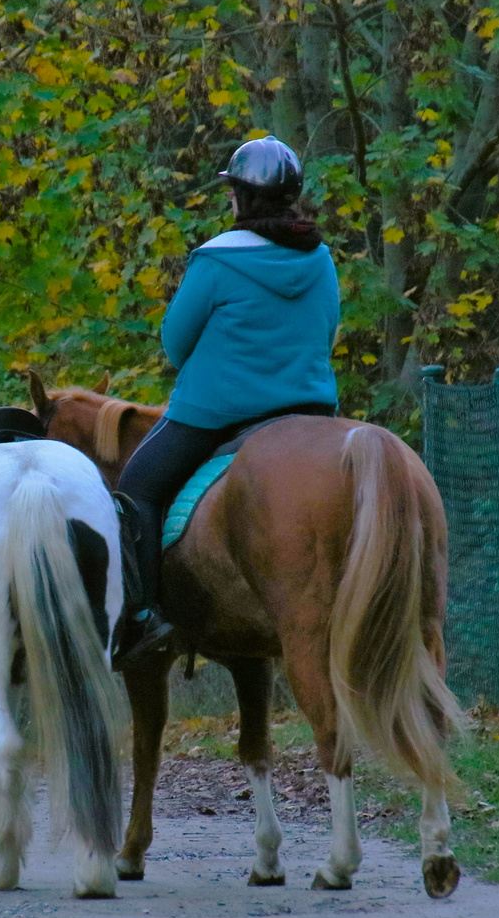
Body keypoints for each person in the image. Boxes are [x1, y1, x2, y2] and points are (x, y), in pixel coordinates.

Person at [114, 135, 341, 664]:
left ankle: (143, 619)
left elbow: (174, 345)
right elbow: (327, 329)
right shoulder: (321, 257)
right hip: (308, 411)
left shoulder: (216, 260)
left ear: (241, 196)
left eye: (232, 190)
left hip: (216, 416)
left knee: (137, 490)